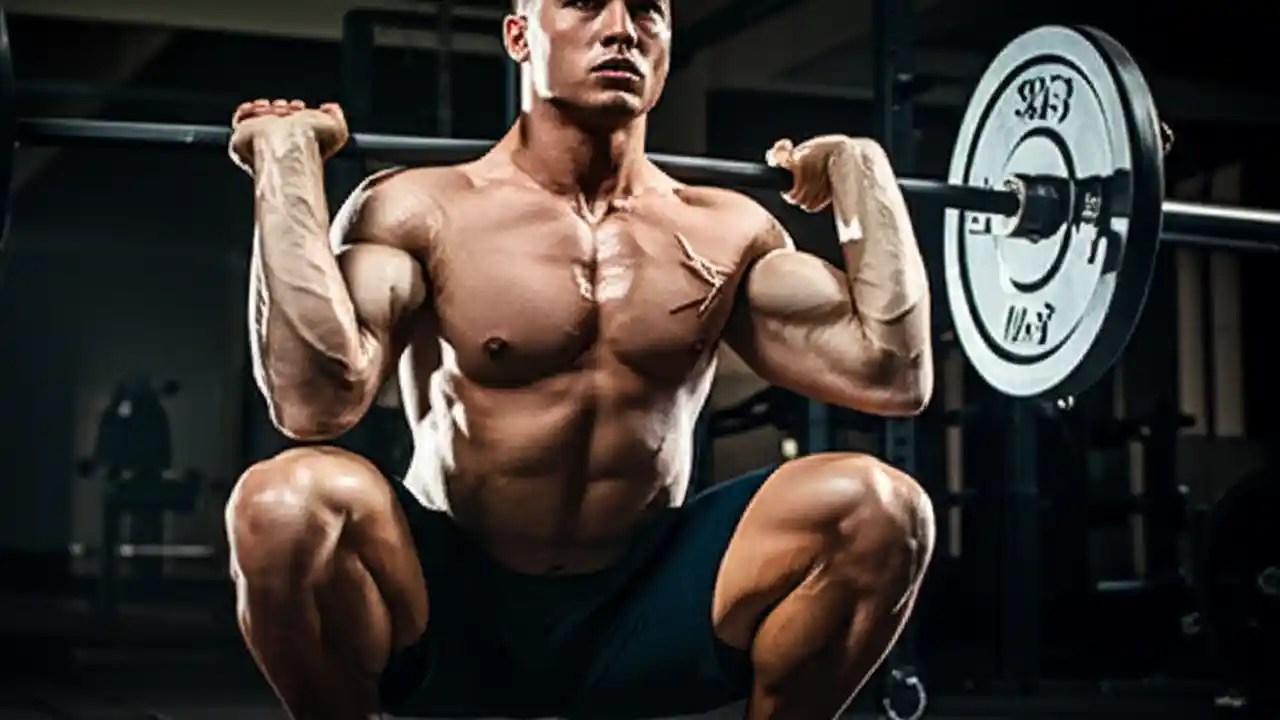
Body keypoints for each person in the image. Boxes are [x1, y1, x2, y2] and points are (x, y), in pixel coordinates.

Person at [224, 0, 936, 717]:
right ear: (517, 34)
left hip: (646, 605)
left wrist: (864, 172)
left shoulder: (727, 231)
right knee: (283, 502)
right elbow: (313, 401)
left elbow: (893, 372)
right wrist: (284, 169)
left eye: (649, 11)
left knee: (883, 508)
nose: (622, 27)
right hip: (449, 608)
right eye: (586, 4)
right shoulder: (421, 210)